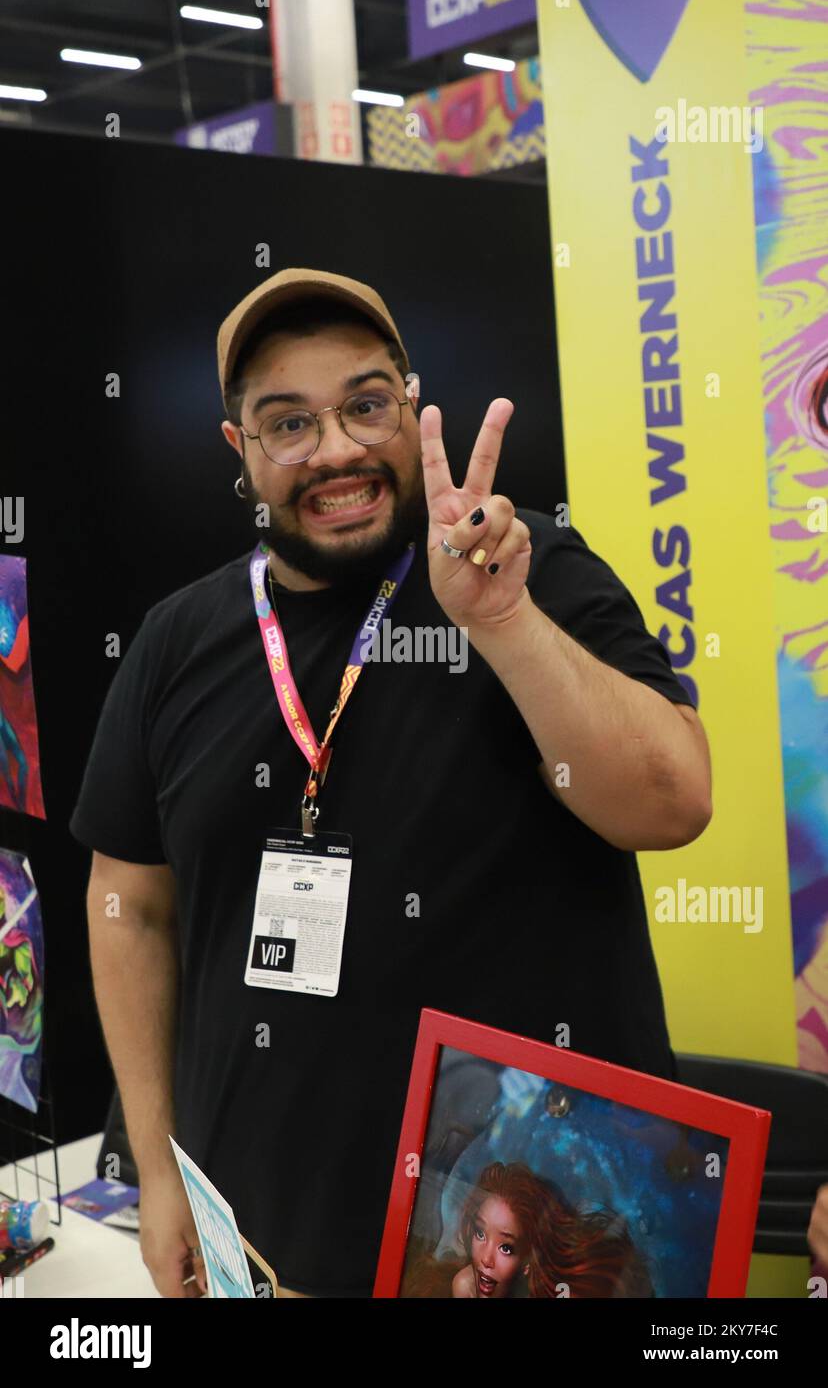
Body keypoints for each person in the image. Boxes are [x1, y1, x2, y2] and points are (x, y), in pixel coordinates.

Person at [70, 267, 712, 1299]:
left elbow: (672, 802)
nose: (337, 449)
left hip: (524, 1245)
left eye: (366, 404)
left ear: (411, 407)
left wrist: (501, 623)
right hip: (271, 1248)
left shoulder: (530, 570)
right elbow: (129, 907)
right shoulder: (174, 642)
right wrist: (155, 1168)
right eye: (289, 423)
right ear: (241, 452)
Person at [403, 1160, 651, 1298]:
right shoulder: (466, 1285)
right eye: (480, 1234)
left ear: (529, 1259)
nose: (486, 1259)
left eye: (506, 1248)